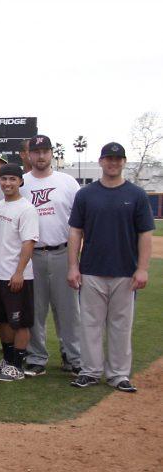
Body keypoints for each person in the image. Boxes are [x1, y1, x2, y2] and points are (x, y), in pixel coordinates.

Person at [66, 142, 153, 393]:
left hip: (125, 271)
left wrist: (143, 268)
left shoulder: (136, 194)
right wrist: (73, 266)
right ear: (101, 161)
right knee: (90, 325)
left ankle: (118, 374)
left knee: (120, 325)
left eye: (118, 158)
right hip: (92, 269)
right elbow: (75, 231)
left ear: (124, 161)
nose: (113, 162)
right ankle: (90, 371)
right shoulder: (86, 194)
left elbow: (145, 234)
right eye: (108, 158)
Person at [21, 135, 83, 376]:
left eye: (45, 151)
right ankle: (37, 356)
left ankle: (73, 355)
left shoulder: (67, 182)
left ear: (51, 154)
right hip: (31, 254)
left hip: (62, 251)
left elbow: (80, 222)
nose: (41, 156)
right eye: (36, 152)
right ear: (29, 155)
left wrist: (76, 259)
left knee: (68, 309)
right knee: (35, 310)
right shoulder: (22, 182)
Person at [0, 164, 40, 382]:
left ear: (20, 181)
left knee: (20, 322)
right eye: (3, 179)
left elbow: (28, 243)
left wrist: (19, 272)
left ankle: (18, 365)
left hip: (16, 276)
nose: (7, 183)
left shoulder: (26, 209)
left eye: (12, 179)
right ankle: (8, 360)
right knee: (3, 320)